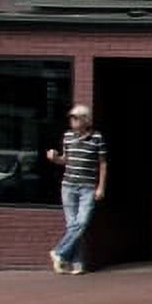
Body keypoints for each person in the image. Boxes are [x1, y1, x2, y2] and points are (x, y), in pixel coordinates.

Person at [44, 102, 107, 274]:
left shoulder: (97, 138)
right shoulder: (67, 136)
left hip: (87, 187)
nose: (72, 121)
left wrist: (101, 187)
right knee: (73, 225)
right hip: (68, 186)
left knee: (82, 222)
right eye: (71, 118)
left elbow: (102, 163)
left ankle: (59, 252)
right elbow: (66, 160)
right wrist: (55, 158)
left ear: (85, 120)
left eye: (76, 118)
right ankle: (76, 264)